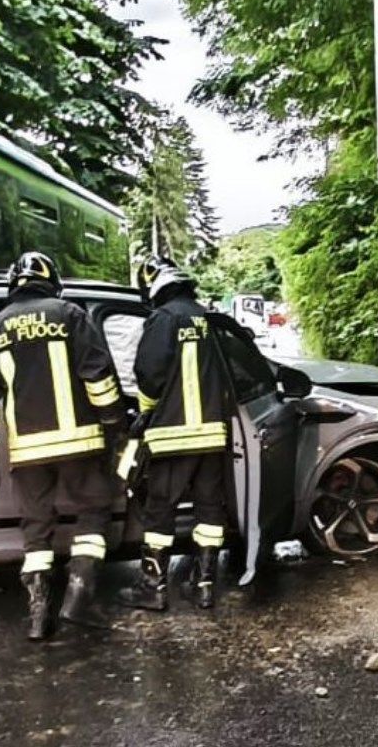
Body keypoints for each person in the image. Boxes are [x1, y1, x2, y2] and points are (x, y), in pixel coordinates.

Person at [0, 251, 127, 640]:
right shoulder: (70, 314)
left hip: (28, 452)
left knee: (36, 530)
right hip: (81, 444)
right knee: (93, 514)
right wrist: (114, 424)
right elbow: (98, 375)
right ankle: (78, 598)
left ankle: (39, 615)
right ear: (52, 280)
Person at [122, 257, 236, 612]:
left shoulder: (163, 319)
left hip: (172, 437)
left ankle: (152, 587)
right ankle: (204, 586)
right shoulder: (208, 318)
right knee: (209, 509)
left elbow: (148, 374)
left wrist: (145, 411)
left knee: (160, 511)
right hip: (213, 435)